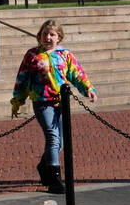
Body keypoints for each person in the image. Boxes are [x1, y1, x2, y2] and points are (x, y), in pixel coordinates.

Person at [10, 19, 97, 194]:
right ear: (39, 36)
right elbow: (22, 79)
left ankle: (44, 166)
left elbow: (77, 74)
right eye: (45, 34)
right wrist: (17, 101)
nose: (48, 37)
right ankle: (55, 179)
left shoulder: (65, 54)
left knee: (61, 141)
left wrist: (88, 89)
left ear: (59, 38)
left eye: (52, 34)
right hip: (42, 102)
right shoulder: (32, 55)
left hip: (62, 101)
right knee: (52, 136)